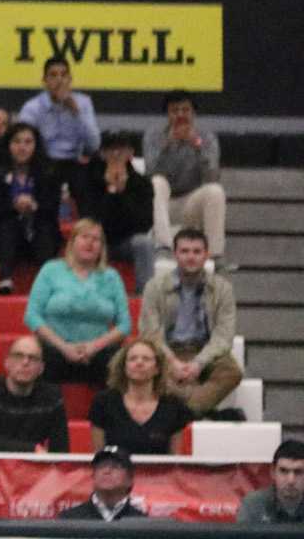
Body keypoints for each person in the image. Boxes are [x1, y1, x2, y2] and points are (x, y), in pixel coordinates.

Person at [138, 227, 244, 416]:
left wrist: (198, 363)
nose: (191, 257)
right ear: (175, 254)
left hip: (205, 351)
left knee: (232, 372)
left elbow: (223, 336)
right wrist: (172, 362)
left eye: (197, 251)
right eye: (184, 251)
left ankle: (186, 411)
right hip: (167, 350)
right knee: (144, 370)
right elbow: (150, 333)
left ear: (206, 255)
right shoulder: (154, 287)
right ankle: (202, 409)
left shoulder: (222, 289)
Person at [27, 218, 130, 385]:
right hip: (55, 348)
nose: (90, 243)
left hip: (99, 351)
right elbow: (32, 316)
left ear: (102, 247)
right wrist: (64, 347)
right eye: (84, 237)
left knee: (117, 362)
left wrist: (93, 347)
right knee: (42, 358)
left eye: (96, 239)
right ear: (72, 242)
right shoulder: (51, 270)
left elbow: (124, 325)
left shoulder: (112, 277)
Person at [0, 122, 61, 294]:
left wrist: (35, 206)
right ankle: (5, 279)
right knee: (7, 225)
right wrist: (13, 206)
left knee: (44, 229)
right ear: (8, 145)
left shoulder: (48, 171)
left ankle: (48, 282)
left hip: (37, 236)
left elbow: (52, 208)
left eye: (28, 142)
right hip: (1, 239)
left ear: (36, 145)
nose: (22, 147)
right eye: (17, 142)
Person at [143, 91, 228, 264]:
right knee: (156, 182)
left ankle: (214, 256)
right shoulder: (153, 136)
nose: (180, 115)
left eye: (185, 110)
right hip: (161, 204)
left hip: (190, 203)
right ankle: (164, 247)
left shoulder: (206, 137)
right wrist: (167, 145)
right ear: (167, 114)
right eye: (175, 111)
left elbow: (212, 177)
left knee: (215, 191)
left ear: (193, 113)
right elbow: (150, 172)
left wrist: (197, 145)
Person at [74, 131, 155, 291]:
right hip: (96, 240)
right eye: (111, 149)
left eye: (122, 149)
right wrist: (111, 192)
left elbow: (144, 224)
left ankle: (145, 297)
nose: (117, 154)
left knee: (143, 242)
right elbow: (90, 221)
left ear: (131, 153)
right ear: (102, 153)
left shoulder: (141, 183)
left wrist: (122, 194)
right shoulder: (88, 180)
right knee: (84, 239)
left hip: (125, 242)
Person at [88, 339, 190, 455]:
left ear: (157, 368)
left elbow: (175, 459)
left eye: (146, 359)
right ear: (124, 367)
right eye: (132, 359)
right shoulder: (103, 403)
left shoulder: (173, 406)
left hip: (157, 473)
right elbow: (98, 456)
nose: (139, 363)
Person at [0, 335, 69, 452]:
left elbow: (61, 451)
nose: (25, 362)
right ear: (7, 363)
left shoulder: (52, 397)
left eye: (33, 358)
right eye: (18, 356)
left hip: (34, 468)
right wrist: (31, 450)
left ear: (41, 368)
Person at [18, 57, 100, 196]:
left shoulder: (83, 103)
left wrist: (77, 113)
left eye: (64, 75)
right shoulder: (32, 108)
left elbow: (94, 144)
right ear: (44, 81)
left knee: (92, 175)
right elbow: (24, 144)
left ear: (70, 79)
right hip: (45, 162)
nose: (59, 80)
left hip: (75, 162)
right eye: (53, 75)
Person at [57, 447, 145, 521]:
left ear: (130, 479)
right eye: (101, 466)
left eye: (115, 467)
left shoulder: (142, 522)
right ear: (93, 476)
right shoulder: (69, 519)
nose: (106, 471)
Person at [237, 438, 304, 523]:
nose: (291, 480)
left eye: (298, 472)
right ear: (273, 472)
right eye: (284, 471)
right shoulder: (253, 504)